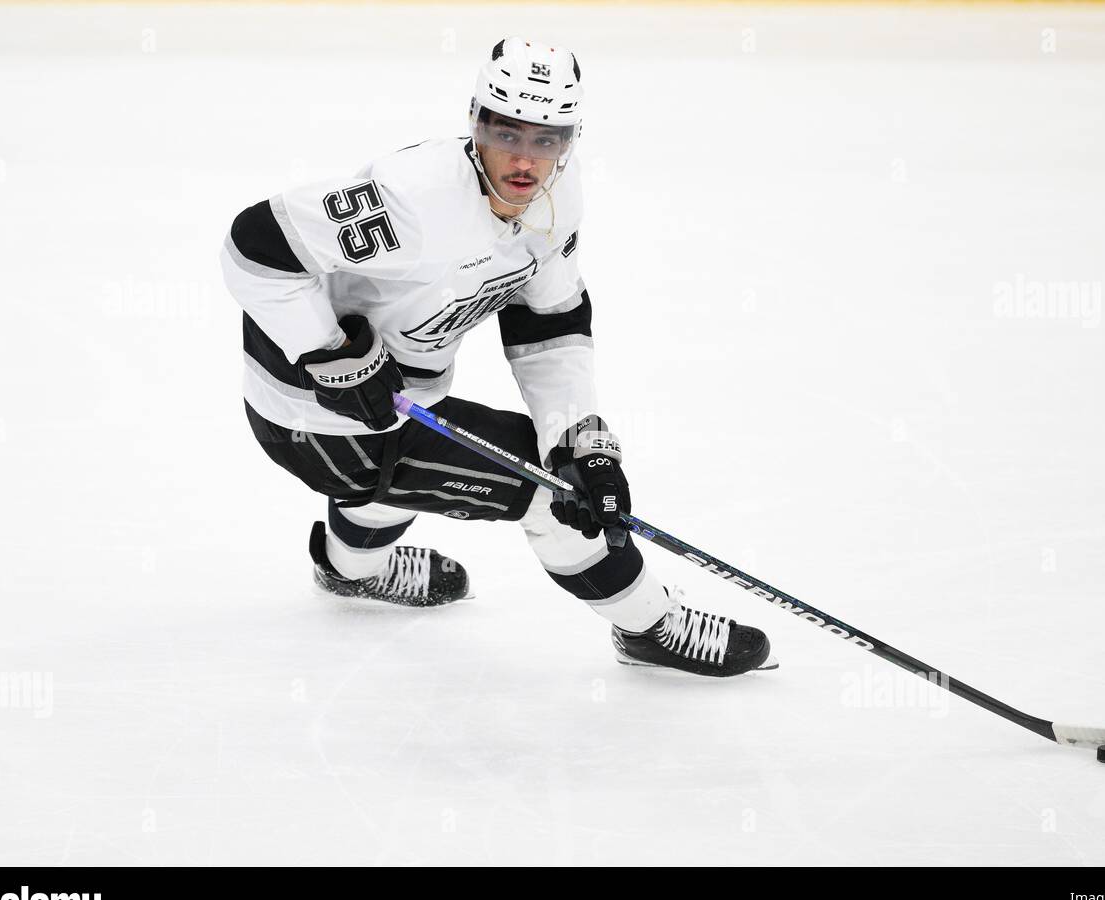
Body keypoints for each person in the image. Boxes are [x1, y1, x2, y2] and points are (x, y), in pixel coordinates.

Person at [220, 38, 772, 676]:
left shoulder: (557, 203)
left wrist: (577, 438)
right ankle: (650, 626)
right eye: (507, 132)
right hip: (309, 415)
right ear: (475, 121)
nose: (525, 158)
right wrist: (333, 351)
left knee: (431, 471)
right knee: (554, 496)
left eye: (548, 139)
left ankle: (350, 571)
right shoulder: (412, 203)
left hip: (396, 403)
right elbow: (255, 244)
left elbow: (550, 320)